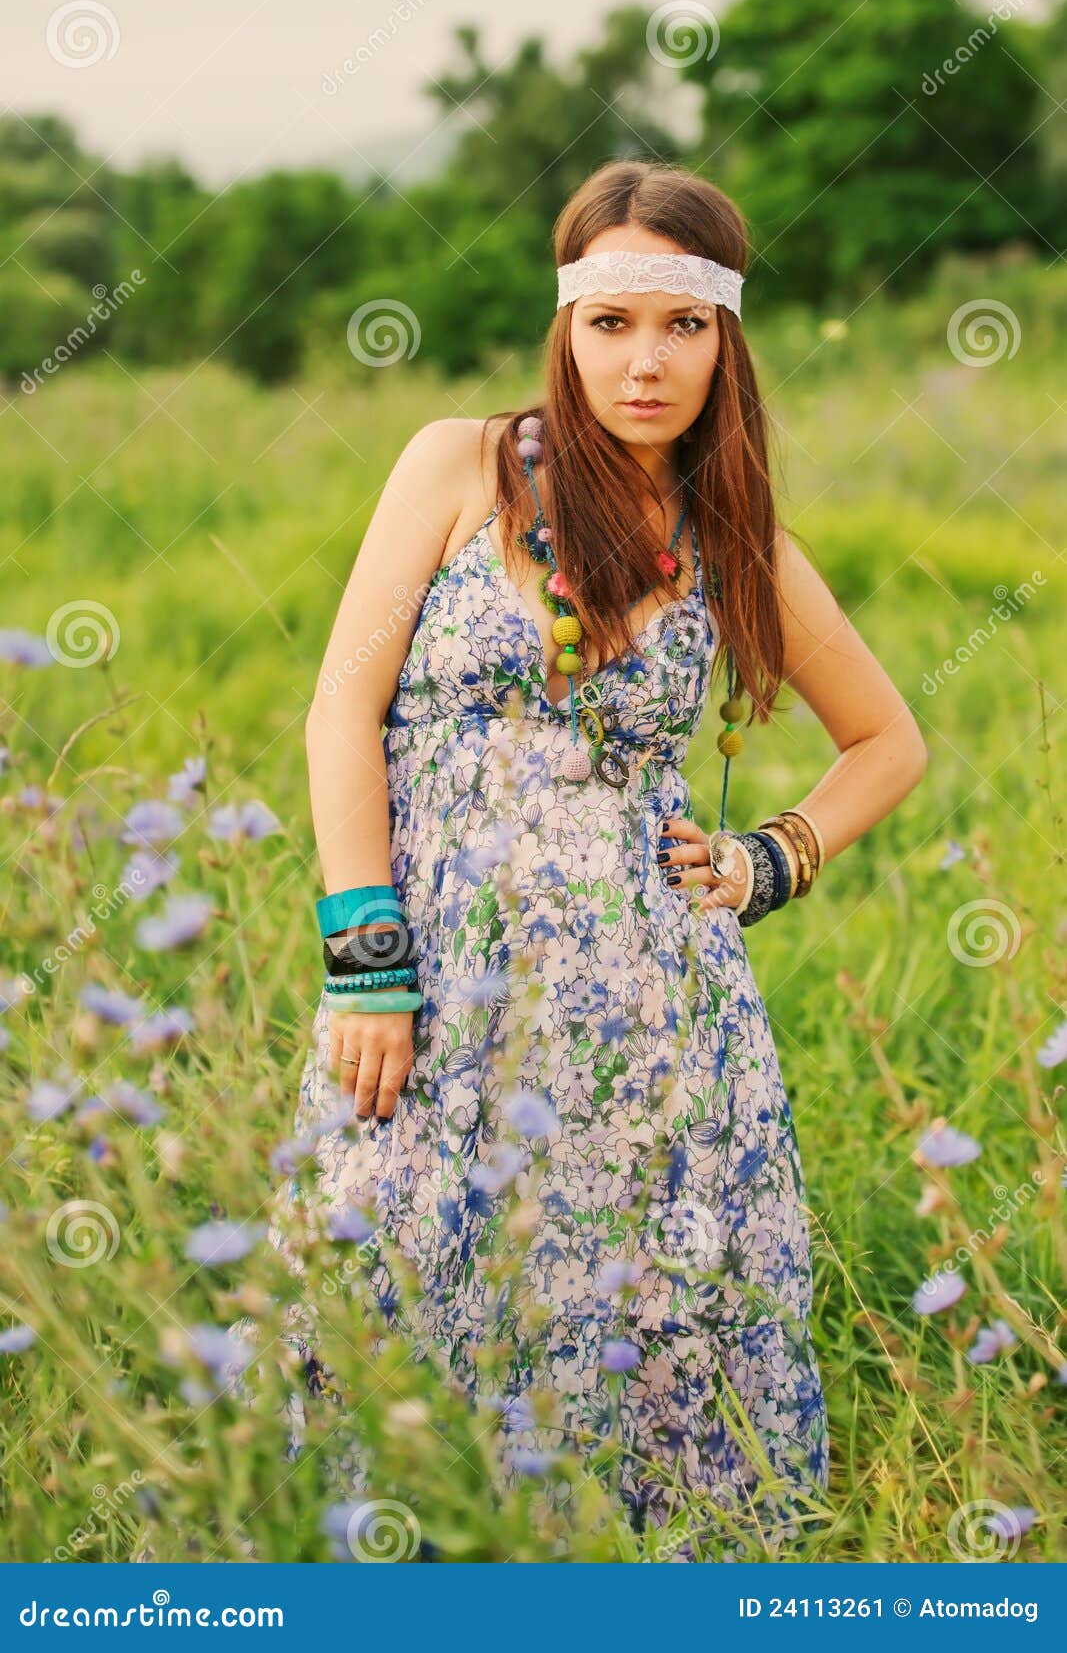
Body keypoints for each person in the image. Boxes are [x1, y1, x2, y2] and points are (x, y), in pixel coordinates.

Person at [254, 161, 926, 1557]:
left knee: (637, 1327)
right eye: (611, 322)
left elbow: (887, 741)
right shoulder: (463, 464)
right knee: (397, 1270)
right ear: (565, 324)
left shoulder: (736, 536)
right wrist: (366, 953)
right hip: (438, 984)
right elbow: (342, 709)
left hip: (656, 1021)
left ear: (726, 338)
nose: (645, 361)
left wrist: (768, 859)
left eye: (682, 327)